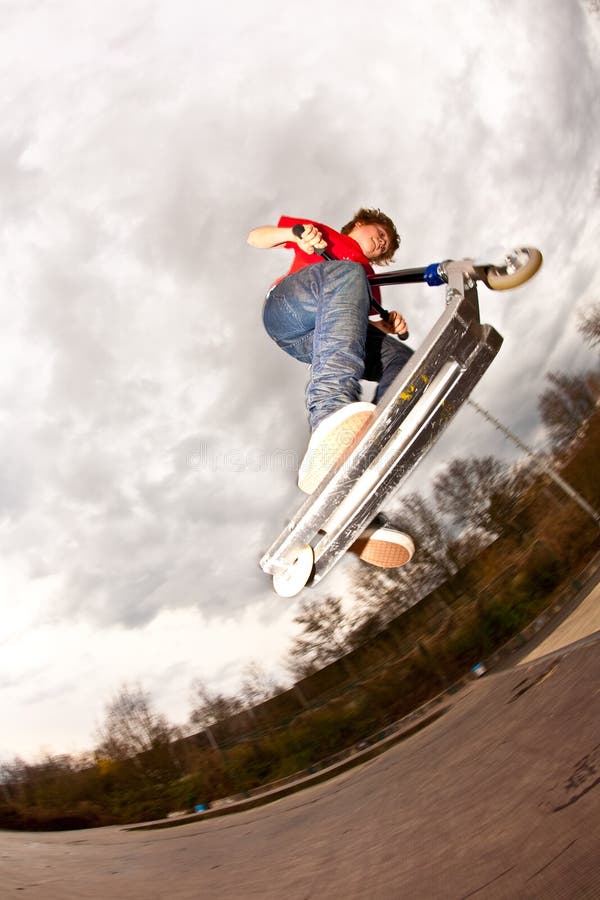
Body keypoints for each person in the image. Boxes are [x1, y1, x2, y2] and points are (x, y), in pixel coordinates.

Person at [248, 209, 415, 568]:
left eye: (384, 245)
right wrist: (296, 234)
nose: (381, 241)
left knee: (404, 361)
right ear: (358, 225)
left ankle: (359, 481)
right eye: (379, 233)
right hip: (287, 310)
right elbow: (256, 237)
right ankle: (329, 412)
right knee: (347, 272)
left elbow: (349, 329)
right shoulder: (327, 237)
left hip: (320, 334)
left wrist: (388, 325)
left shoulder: (370, 284)